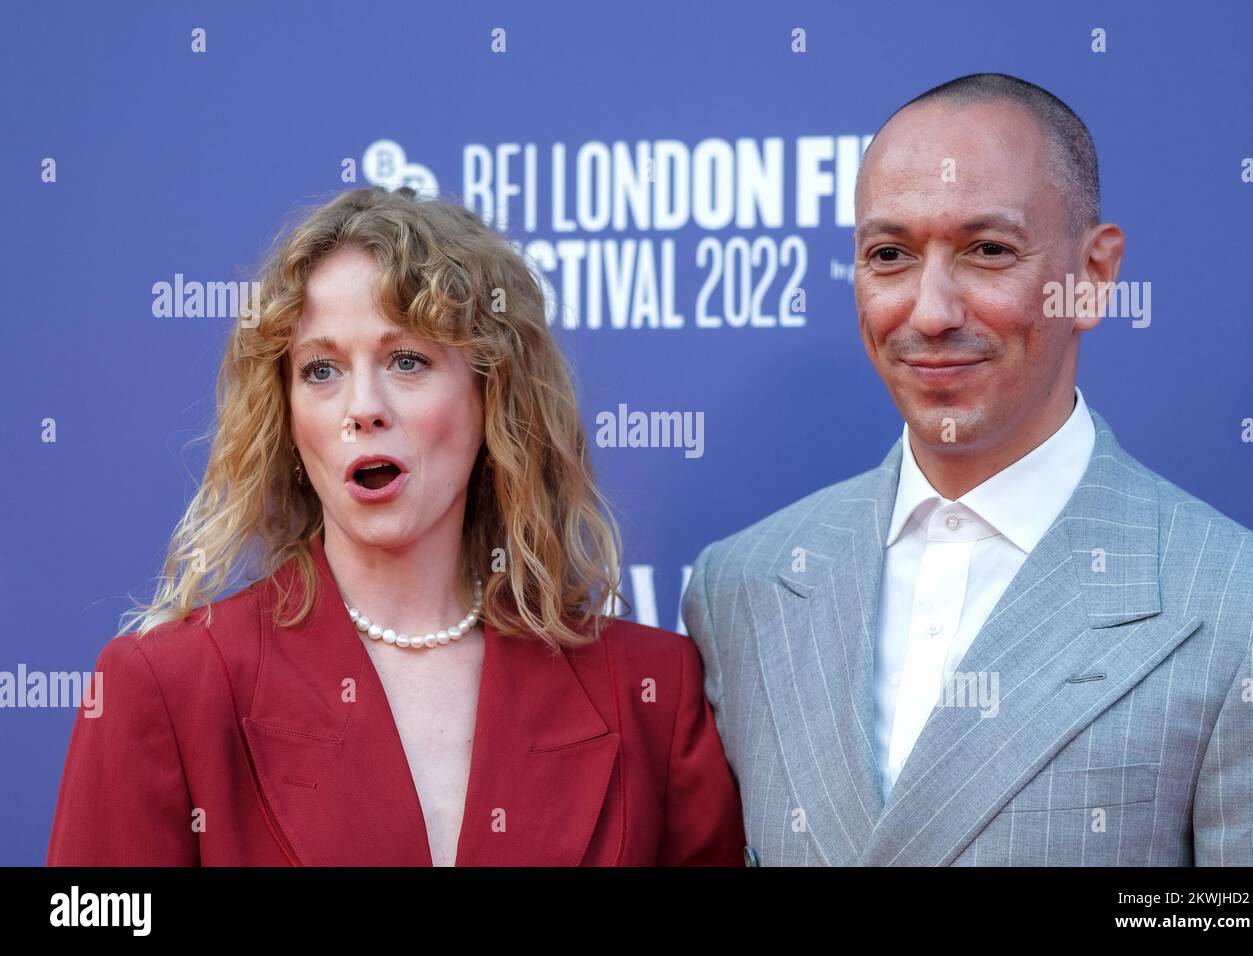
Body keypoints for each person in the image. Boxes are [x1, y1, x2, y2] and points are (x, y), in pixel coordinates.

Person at [683, 73, 1253, 867]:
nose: (931, 311)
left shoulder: (1252, 617)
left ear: (1095, 276)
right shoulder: (744, 588)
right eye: (890, 255)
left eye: (988, 251)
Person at [47, 186, 744, 866]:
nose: (362, 407)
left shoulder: (648, 692)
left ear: (492, 396)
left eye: (407, 360)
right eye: (320, 369)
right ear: (287, 419)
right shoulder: (167, 687)